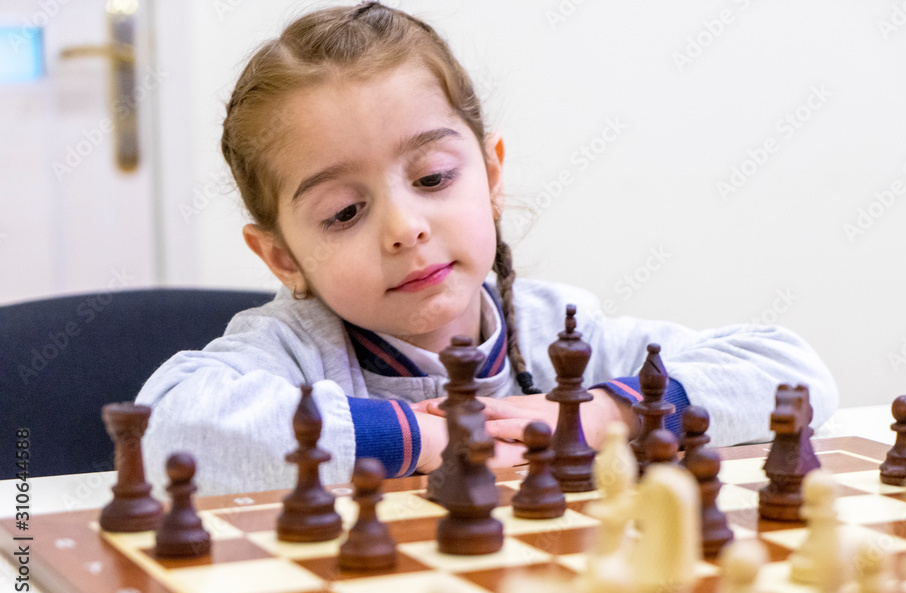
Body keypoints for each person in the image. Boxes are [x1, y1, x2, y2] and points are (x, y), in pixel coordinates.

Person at [136, 2, 838, 495]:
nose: (404, 227)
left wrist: (599, 411)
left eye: (433, 177)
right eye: (345, 211)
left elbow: (793, 371)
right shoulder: (294, 350)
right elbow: (171, 426)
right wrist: (423, 436)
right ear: (281, 257)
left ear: (492, 175)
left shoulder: (558, 330)